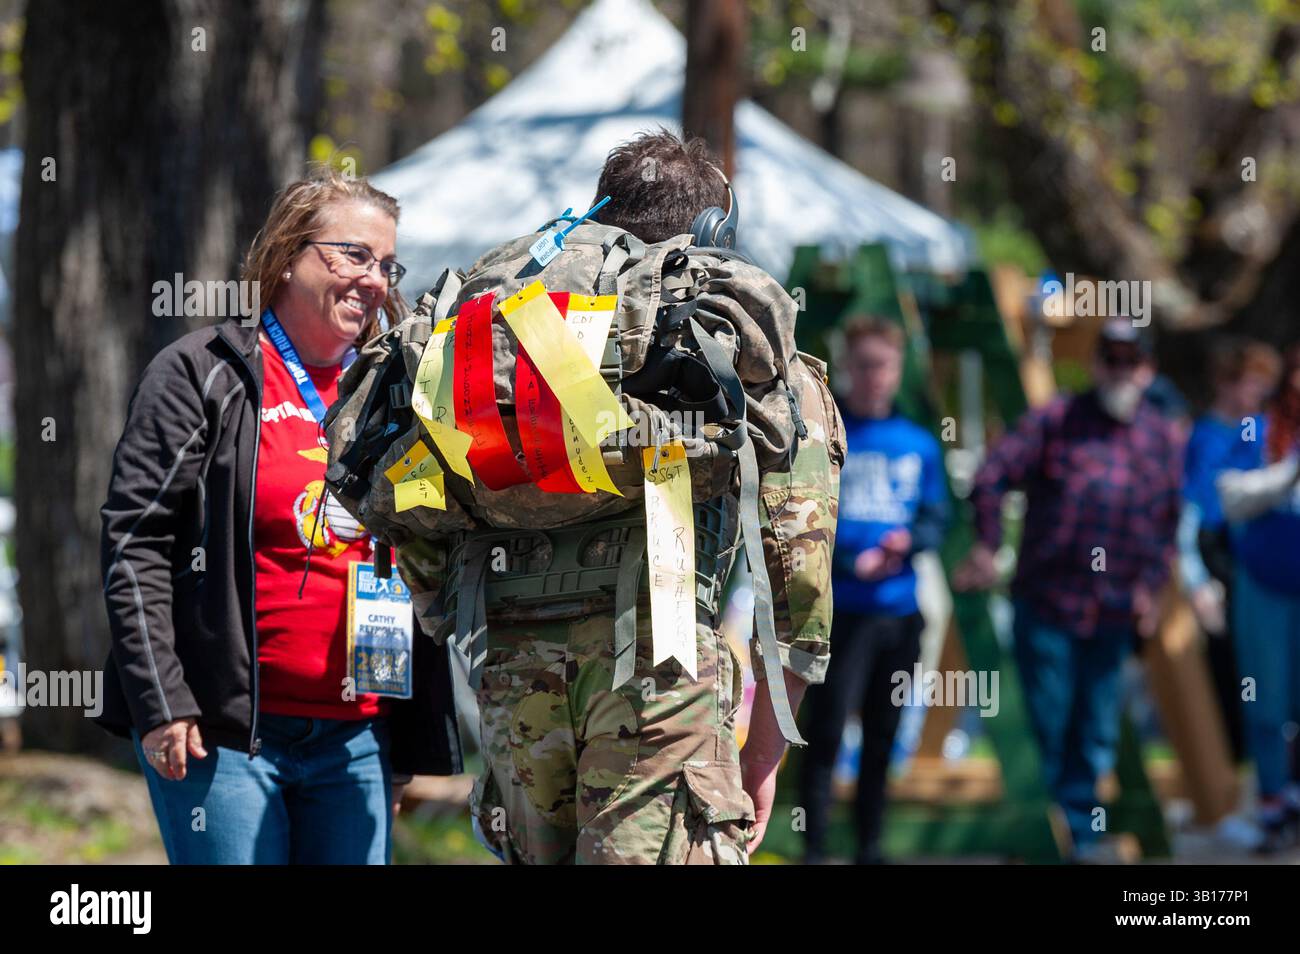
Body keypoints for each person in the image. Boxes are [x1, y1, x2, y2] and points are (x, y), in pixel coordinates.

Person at [379, 131, 842, 865]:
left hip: (511, 673)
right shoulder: (727, 340)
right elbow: (799, 569)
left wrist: (465, 630)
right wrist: (761, 756)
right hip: (660, 676)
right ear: (711, 234)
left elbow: (410, 493)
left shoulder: (506, 330)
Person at [97, 168, 462, 864]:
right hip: (225, 735)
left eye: (387, 264)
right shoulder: (202, 373)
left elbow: (429, 550)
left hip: (359, 736)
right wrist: (161, 698)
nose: (376, 280)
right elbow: (134, 541)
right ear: (289, 256)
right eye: (354, 254)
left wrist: (408, 732)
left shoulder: (400, 392)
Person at [953, 317, 1183, 861]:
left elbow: (1167, 521)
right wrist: (987, 545)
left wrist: (1152, 586)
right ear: (1098, 363)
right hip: (1048, 604)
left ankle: (1075, 839)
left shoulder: (1158, 438)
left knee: (1096, 732)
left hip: (1115, 611)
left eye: (1132, 361)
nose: (1121, 371)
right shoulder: (1057, 419)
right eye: (1112, 359)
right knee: (1047, 726)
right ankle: (1038, 839)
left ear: (1146, 370)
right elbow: (991, 476)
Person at [799, 316, 948, 864]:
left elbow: (937, 519)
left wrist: (905, 545)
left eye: (881, 365)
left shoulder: (918, 443)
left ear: (897, 370)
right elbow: (799, 514)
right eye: (861, 365)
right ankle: (814, 847)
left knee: (883, 736)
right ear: (847, 368)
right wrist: (845, 558)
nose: (871, 376)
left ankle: (871, 846)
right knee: (827, 731)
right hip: (838, 612)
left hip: (898, 612)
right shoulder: (827, 435)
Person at [1178, 339, 1279, 765]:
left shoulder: (1263, 430)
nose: (1255, 395)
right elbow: (1190, 512)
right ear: (1225, 383)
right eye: (1248, 384)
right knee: (1229, 672)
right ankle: (1231, 774)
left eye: (1262, 386)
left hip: (1262, 560)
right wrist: (1199, 581)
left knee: (1269, 676)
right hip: (1217, 556)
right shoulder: (1203, 436)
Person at [1216, 343, 1300, 852]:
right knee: (1266, 700)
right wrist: (1288, 473)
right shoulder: (1258, 429)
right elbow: (1228, 494)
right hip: (1265, 583)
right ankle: (1273, 806)